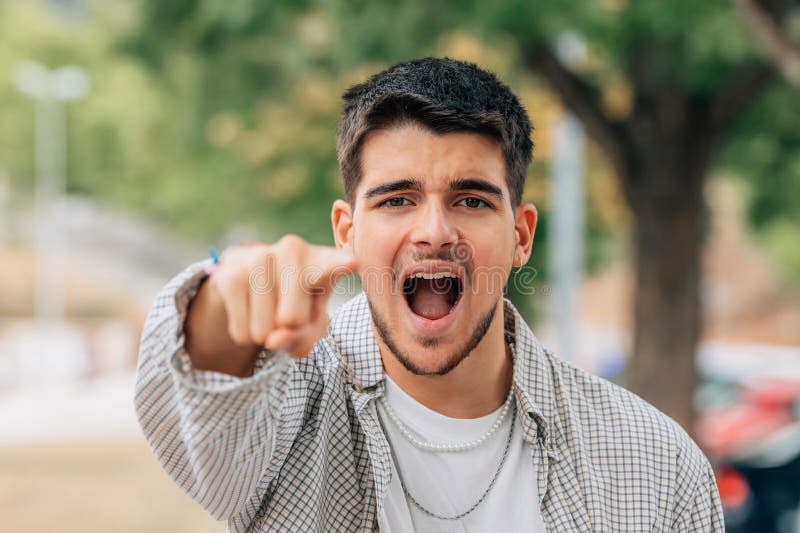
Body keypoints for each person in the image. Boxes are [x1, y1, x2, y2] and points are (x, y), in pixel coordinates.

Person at [134, 57, 724, 532]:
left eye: (471, 200)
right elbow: (205, 403)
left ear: (520, 237)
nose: (435, 231)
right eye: (397, 199)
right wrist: (226, 309)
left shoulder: (654, 462)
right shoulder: (291, 408)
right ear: (347, 232)